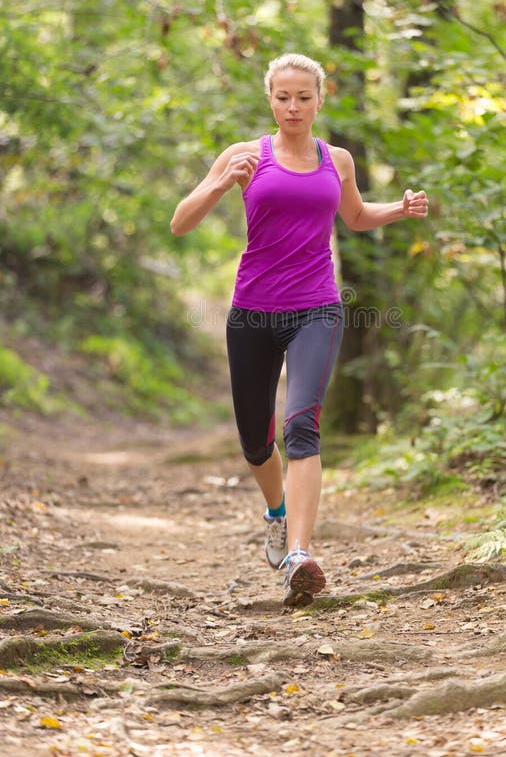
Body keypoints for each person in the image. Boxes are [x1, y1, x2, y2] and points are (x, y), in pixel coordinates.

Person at [170, 53, 428, 607]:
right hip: (253, 311)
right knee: (255, 441)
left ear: (319, 100)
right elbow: (180, 222)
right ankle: (276, 513)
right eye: (283, 96)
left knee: (301, 426)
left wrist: (400, 210)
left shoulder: (337, 159)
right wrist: (220, 185)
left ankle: (299, 554)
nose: (293, 106)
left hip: (317, 306)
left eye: (303, 97)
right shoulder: (244, 155)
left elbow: (354, 217)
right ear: (270, 99)